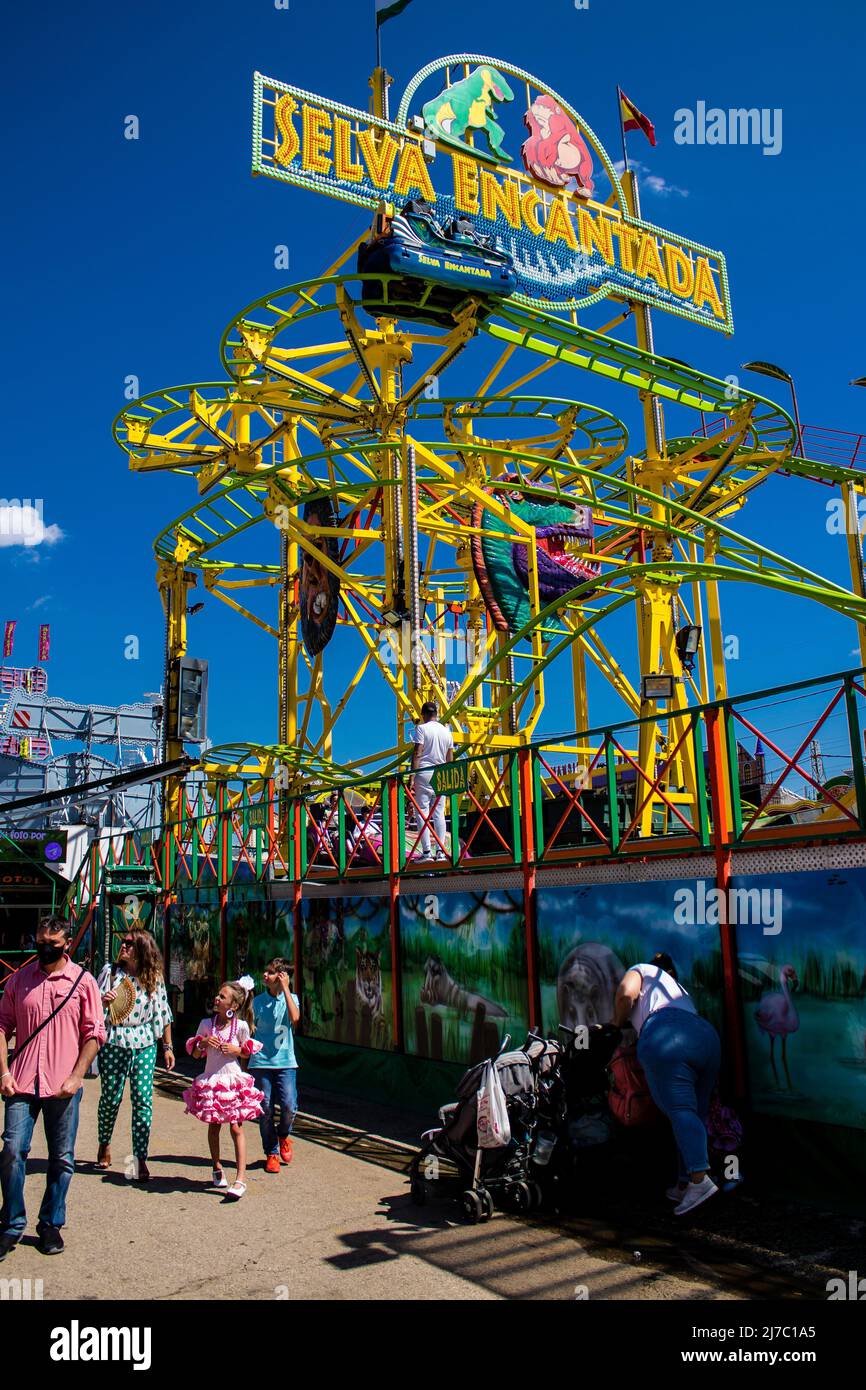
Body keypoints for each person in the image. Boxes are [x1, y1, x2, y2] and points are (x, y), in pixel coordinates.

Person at [0, 915, 106, 1259]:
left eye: (52, 944)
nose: (44, 949)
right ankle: (12, 1222)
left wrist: (77, 1076)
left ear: (66, 944)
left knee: (62, 1158)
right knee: (13, 1152)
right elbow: (2, 1026)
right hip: (21, 1081)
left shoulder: (83, 982)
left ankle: (50, 1224)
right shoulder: (20, 981)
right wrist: (3, 1071)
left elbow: (95, 1034)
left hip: (63, 1084)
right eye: (40, 942)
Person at [612, 951, 721, 1217]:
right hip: (705, 1035)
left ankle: (699, 1180)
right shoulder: (678, 990)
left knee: (680, 1112)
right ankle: (685, 1183)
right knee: (694, 1114)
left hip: (666, 1035)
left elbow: (626, 994)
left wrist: (615, 1024)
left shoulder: (642, 969)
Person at [95, 927, 174, 1181]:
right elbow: (92, 1004)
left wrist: (168, 1047)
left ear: (141, 949)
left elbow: (163, 1012)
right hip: (115, 1039)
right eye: (123, 942)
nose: (124, 946)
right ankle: (104, 1141)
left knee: (143, 1100)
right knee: (111, 1097)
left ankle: (139, 1158)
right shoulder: (111, 973)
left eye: (130, 943)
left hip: (145, 1041)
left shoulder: (154, 977)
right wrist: (103, 1001)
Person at [183, 977, 264, 1200]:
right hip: (212, 1079)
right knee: (214, 1126)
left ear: (234, 1006)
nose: (217, 999)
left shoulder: (241, 1027)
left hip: (232, 1080)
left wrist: (235, 1049)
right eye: (218, 996)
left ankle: (241, 1178)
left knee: (237, 1128)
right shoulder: (206, 1025)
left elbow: (247, 1053)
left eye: (222, 997)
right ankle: (217, 1166)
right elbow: (197, 1054)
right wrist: (202, 1044)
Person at [249, 958, 300, 1174]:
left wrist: (287, 989)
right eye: (265, 971)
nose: (265, 976)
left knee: (289, 1105)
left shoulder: (292, 998)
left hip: (286, 1062)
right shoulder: (257, 1002)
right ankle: (271, 1151)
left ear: (280, 977)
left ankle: (284, 1135)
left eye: (270, 973)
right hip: (261, 1062)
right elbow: (249, 1030)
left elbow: (295, 1018)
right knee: (265, 1107)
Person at [410, 702, 454, 860]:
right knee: (439, 813)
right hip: (441, 773)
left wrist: (412, 775)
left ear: (423, 715)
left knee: (422, 811)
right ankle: (441, 852)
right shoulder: (446, 731)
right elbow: (450, 757)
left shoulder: (422, 729)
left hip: (424, 772)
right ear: (436, 713)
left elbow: (417, 753)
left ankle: (427, 852)